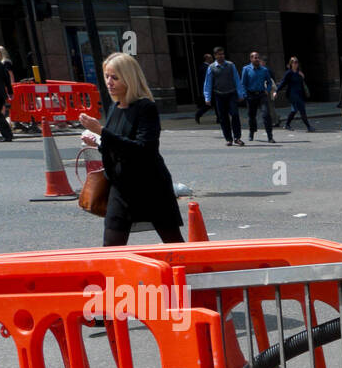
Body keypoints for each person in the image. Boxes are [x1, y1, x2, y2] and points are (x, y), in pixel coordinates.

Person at [79, 52, 183, 247]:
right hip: (121, 186)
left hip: (150, 185)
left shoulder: (145, 108)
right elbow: (116, 147)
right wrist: (98, 142)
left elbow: (144, 150)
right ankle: (112, 279)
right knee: (111, 246)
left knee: (173, 242)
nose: (109, 82)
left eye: (115, 77)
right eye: (107, 76)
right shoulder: (114, 107)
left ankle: (189, 273)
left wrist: (101, 131)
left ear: (129, 78)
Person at [203, 46, 245, 146]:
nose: (221, 56)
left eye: (222, 54)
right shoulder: (211, 67)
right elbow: (208, 83)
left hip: (231, 94)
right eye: (219, 54)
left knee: (235, 115)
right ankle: (228, 139)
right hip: (219, 95)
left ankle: (237, 137)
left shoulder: (231, 65)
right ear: (215, 56)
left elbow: (237, 80)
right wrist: (207, 97)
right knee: (223, 118)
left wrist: (240, 93)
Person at [242, 50, 276, 143]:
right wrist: (245, 94)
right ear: (251, 59)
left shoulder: (264, 70)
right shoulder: (246, 69)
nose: (257, 59)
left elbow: (269, 82)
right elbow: (243, 83)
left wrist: (267, 90)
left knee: (266, 115)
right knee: (251, 116)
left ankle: (270, 136)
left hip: (261, 95)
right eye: (255, 57)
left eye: (258, 57)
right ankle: (251, 132)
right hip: (251, 95)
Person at [279, 56, 314, 131]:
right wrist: (276, 91)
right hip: (292, 94)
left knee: (294, 110)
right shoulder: (288, 73)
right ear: (291, 64)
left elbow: (302, 84)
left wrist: (302, 77)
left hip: (299, 94)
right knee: (302, 109)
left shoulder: (299, 72)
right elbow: (283, 83)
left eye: (296, 62)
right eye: (294, 62)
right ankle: (309, 127)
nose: (295, 64)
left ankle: (287, 124)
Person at [194, 53, 215, 124]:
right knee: (208, 105)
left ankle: (220, 118)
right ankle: (198, 114)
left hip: (212, 89)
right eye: (211, 58)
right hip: (209, 89)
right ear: (207, 59)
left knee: (215, 104)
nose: (212, 59)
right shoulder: (205, 67)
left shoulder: (208, 67)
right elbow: (205, 80)